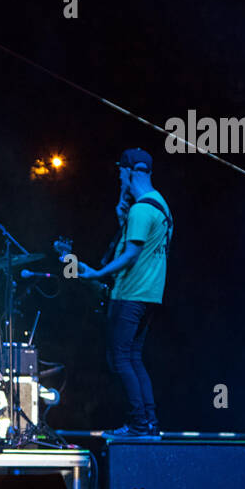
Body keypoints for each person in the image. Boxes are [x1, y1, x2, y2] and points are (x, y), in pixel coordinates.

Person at [73, 149, 172, 437]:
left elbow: (130, 256)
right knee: (134, 357)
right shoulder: (162, 207)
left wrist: (95, 274)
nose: (118, 177)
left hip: (131, 293)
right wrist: (122, 217)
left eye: (120, 172)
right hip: (150, 294)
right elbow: (146, 252)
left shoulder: (141, 209)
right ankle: (149, 422)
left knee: (119, 358)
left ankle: (139, 424)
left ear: (130, 172)